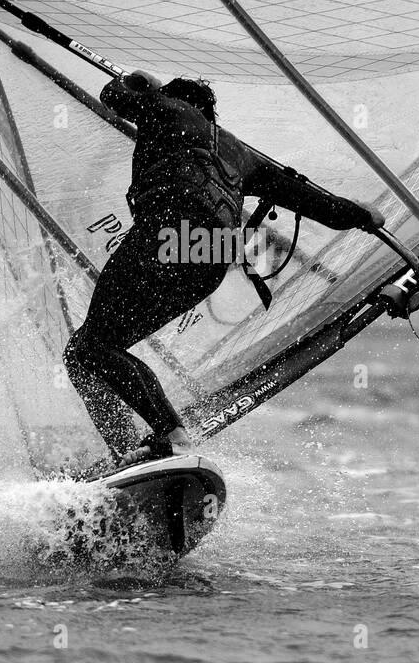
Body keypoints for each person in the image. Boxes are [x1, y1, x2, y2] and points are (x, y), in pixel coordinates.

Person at [64, 71, 385, 465]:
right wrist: (361, 214)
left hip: (169, 236)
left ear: (179, 100)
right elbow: (323, 206)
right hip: (210, 256)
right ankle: (135, 455)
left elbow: (113, 94)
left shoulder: (170, 110)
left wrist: (139, 83)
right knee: (92, 349)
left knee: (90, 347)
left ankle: (168, 435)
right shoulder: (245, 158)